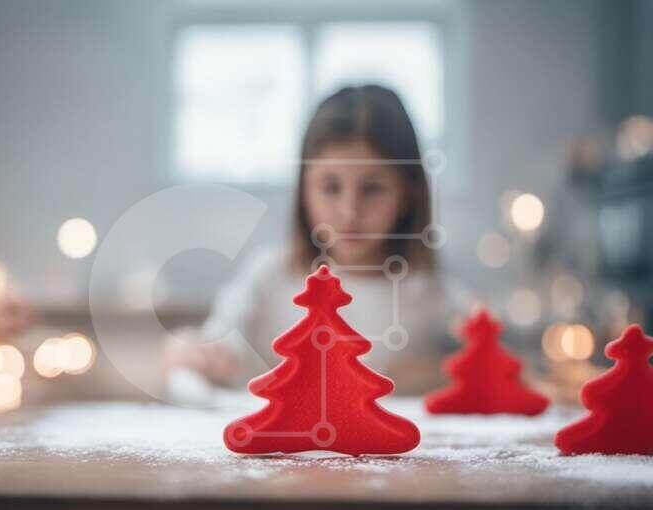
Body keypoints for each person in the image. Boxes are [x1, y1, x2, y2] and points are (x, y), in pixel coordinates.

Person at [162, 84, 447, 395]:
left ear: (408, 193)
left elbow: (492, 364)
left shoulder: (433, 295)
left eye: (372, 189)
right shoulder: (268, 276)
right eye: (330, 187)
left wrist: (435, 371)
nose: (349, 212)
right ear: (303, 191)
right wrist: (193, 353)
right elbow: (219, 340)